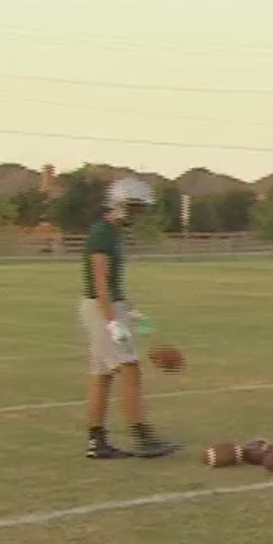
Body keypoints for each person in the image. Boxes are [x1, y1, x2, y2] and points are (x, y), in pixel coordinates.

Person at [77, 178, 179, 460]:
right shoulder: (102, 234)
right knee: (130, 369)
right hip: (101, 309)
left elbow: (112, 285)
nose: (137, 214)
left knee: (102, 376)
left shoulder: (112, 233)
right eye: (134, 208)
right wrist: (113, 322)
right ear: (119, 204)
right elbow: (100, 283)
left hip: (110, 307)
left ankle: (96, 442)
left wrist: (131, 312)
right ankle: (143, 437)